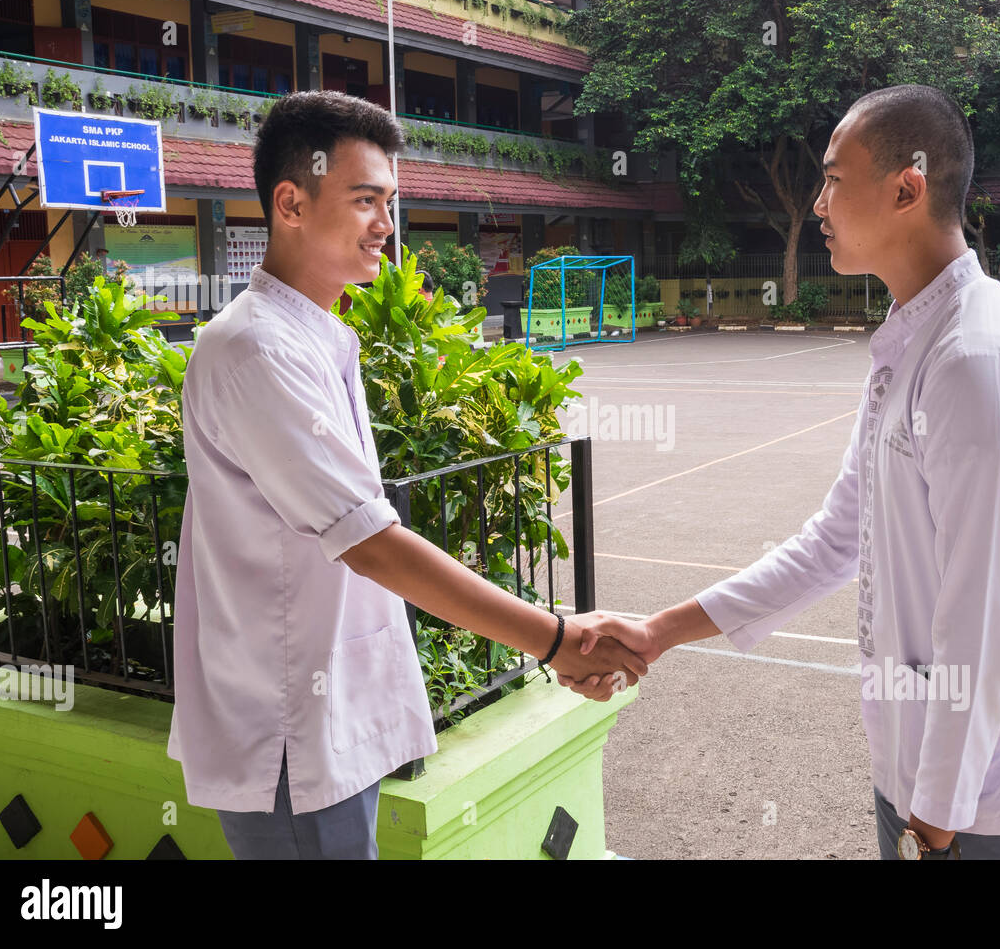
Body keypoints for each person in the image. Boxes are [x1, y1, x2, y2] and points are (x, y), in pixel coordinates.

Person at [557, 84, 1000, 860]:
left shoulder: (975, 361)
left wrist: (937, 818)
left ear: (906, 188)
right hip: (917, 770)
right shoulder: (913, 341)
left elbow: (982, 613)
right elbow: (836, 540)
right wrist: (659, 631)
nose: (818, 202)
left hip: (988, 794)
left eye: (836, 178)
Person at [166, 90, 646, 860]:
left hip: (330, 718)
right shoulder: (256, 350)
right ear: (290, 203)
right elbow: (372, 542)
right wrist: (553, 638)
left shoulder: (315, 335)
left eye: (389, 201)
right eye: (365, 201)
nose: (386, 225)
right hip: (289, 734)